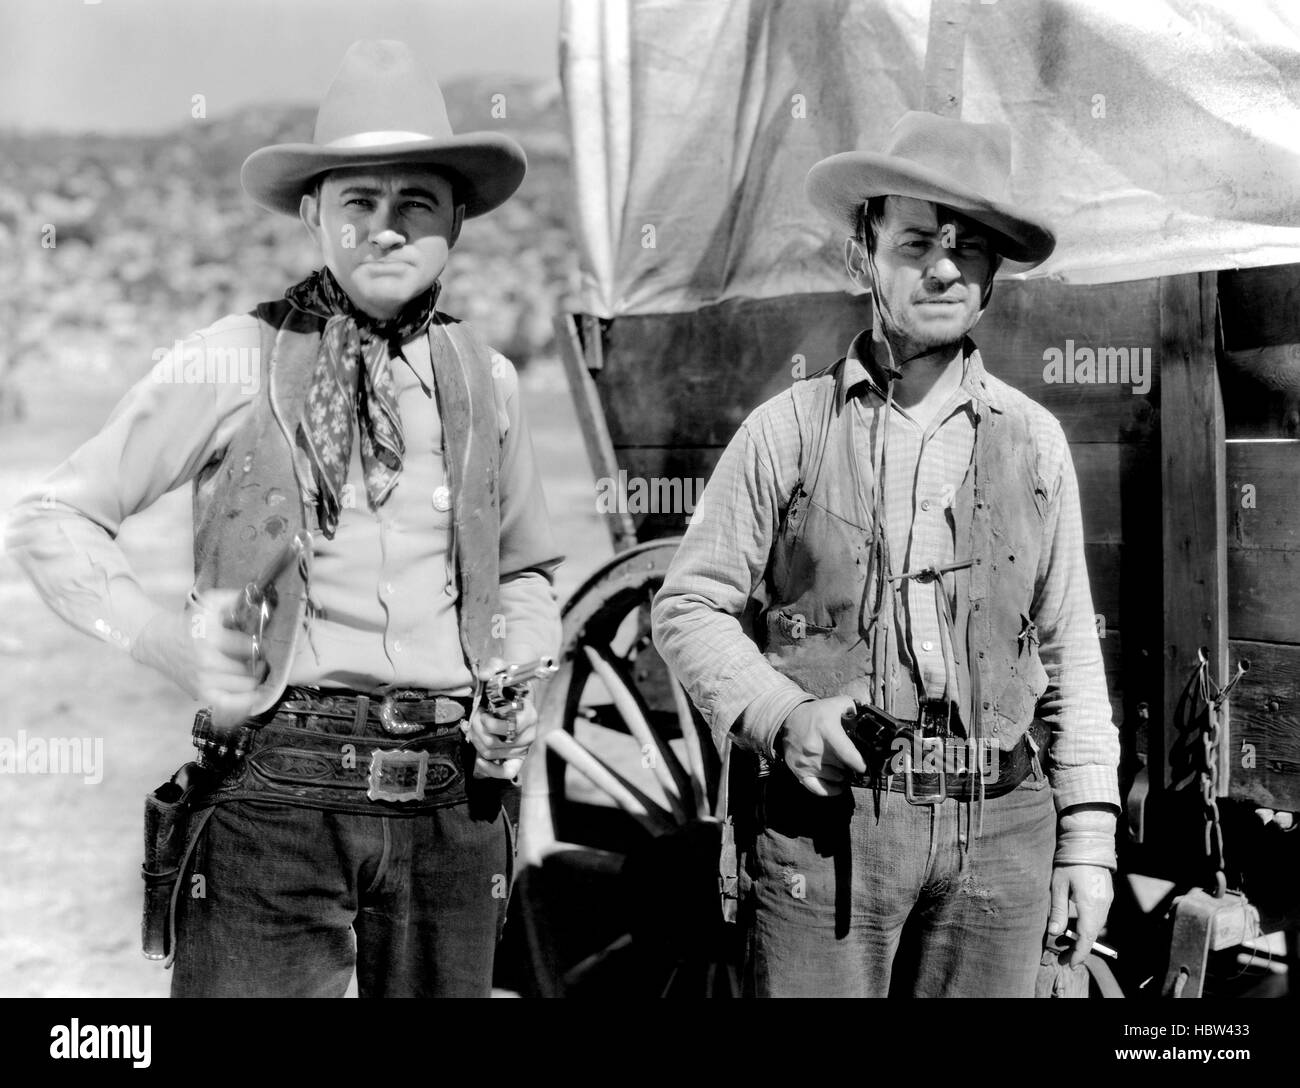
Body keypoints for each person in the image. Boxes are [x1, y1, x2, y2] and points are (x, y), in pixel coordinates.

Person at [4, 39, 562, 998]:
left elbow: (525, 572)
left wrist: (518, 668)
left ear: (457, 222)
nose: (385, 230)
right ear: (314, 216)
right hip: (277, 792)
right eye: (359, 204)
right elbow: (53, 518)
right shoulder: (236, 357)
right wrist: (164, 642)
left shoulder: (490, 382)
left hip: (451, 801)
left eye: (415, 203)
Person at [651, 112, 1119, 998]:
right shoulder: (786, 430)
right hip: (829, 835)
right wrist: (785, 716)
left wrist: (1087, 843)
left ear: (992, 277)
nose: (945, 267)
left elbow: (1068, 652)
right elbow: (688, 605)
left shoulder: (1033, 441)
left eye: (971, 247)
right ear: (861, 253)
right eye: (916, 241)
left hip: (1003, 832)